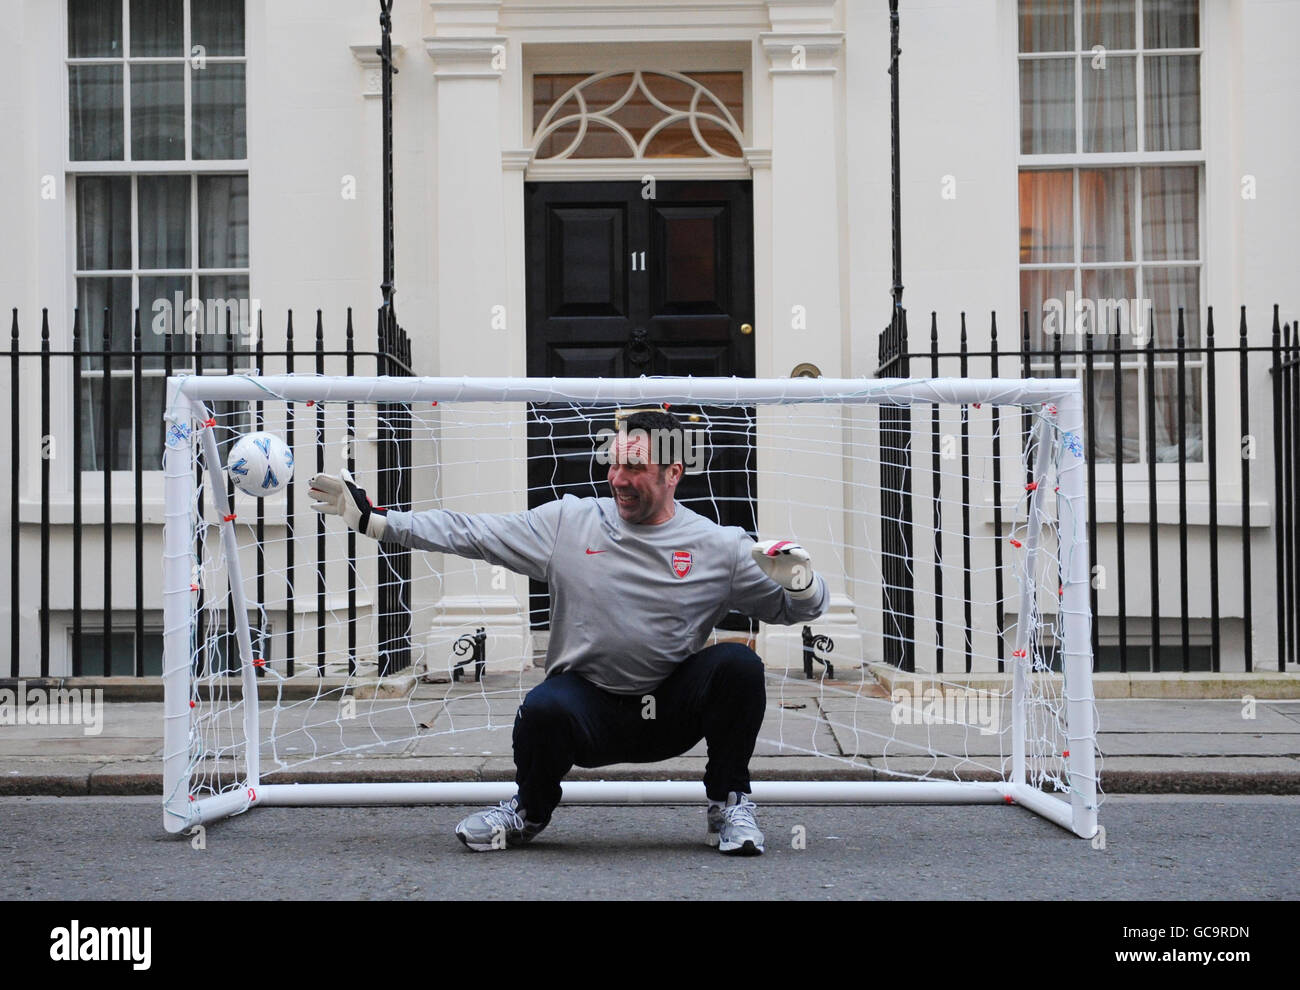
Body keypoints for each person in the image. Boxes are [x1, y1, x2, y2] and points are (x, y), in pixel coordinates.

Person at [308, 409, 827, 855]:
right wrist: (375, 522)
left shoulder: (719, 546)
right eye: (615, 463)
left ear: (674, 472)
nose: (618, 478)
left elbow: (795, 608)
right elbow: (471, 532)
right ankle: (528, 812)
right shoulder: (568, 523)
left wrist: (802, 583)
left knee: (739, 666)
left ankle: (729, 805)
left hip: (670, 712)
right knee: (541, 708)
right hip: (588, 714)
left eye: (635, 467)